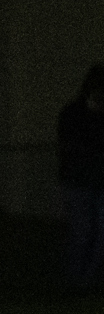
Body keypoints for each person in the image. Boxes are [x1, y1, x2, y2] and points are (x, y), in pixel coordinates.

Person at [59, 65, 104, 290]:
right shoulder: (73, 114)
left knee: (96, 234)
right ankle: (76, 281)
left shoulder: (74, 113)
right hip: (79, 183)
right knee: (82, 232)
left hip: (95, 183)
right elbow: (70, 148)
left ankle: (85, 281)